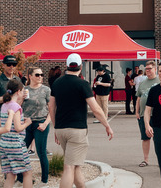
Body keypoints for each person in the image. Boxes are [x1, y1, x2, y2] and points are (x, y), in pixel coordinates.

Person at [48, 53, 113, 188]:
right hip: (77, 130)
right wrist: (107, 125)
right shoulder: (83, 84)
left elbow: (51, 106)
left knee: (76, 165)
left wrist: (55, 127)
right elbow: (95, 108)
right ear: (81, 66)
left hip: (61, 129)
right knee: (69, 167)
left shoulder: (57, 83)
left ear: (67, 66)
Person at [0, 78, 33, 188]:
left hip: (4, 143)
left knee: (10, 174)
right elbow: (18, 128)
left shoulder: (4, 105)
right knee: (27, 172)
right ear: (18, 92)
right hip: (15, 144)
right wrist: (27, 123)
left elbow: (2, 124)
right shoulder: (16, 107)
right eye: (22, 91)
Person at [22, 67, 51, 186]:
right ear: (30, 76)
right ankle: (21, 178)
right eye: (37, 75)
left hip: (41, 123)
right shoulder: (24, 90)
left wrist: (45, 123)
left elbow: (52, 108)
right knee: (21, 150)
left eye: (41, 75)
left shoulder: (46, 90)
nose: (40, 77)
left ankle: (44, 181)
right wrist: (21, 98)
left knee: (41, 152)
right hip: (27, 124)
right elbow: (17, 107)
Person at [135, 60, 160, 167]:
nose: (148, 71)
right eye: (146, 69)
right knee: (145, 137)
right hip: (143, 115)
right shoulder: (142, 83)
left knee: (159, 137)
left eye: (150, 69)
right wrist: (136, 112)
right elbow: (138, 98)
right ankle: (146, 159)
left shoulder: (160, 81)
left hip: (157, 114)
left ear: (155, 69)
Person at [0, 54, 21, 125]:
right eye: (9, 64)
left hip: (17, 115)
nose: (11, 67)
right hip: (4, 116)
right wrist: (6, 98)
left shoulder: (18, 79)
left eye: (14, 65)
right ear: (3, 65)